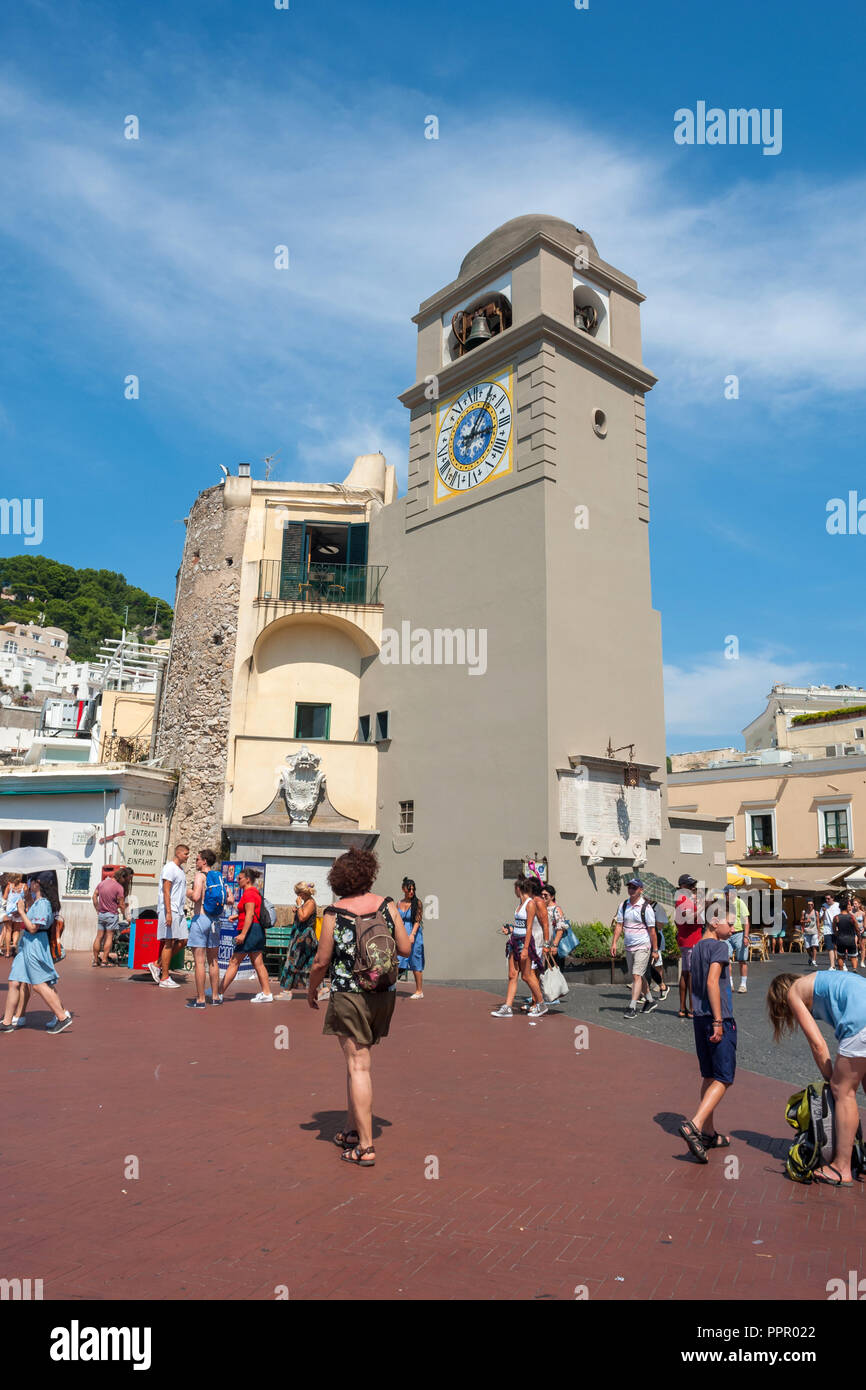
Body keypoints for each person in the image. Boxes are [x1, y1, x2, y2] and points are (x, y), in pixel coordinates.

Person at [307, 847, 411, 1167]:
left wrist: (312, 989)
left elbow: (322, 961)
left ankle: (365, 1147)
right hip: (382, 993)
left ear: (337, 878)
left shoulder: (333, 912)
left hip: (349, 994)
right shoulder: (387, 905)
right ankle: (352, 1130)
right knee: (357, 1064)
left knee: (358, 1066)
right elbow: (405, 949)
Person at [767, 969, 866, 1186]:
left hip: (860, 1020)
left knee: (843, 1091)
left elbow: (818, 1045)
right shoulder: (818, 980)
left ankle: (841, 1167)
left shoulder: (794, 992)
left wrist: (832, 1081)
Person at [677, 896, 736, 1162]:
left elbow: (693, 984)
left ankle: (709, 1133)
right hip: (716, 1017)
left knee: (709, 1076)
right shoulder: (720, 947)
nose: (732, 929)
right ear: (715, 921)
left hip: (699, 1016)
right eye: (730, 923)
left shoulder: (696, 947)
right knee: (724, 1077)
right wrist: (718, 1020)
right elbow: (713, 982)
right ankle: (696, 1125)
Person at [0, 876, 72, 1034]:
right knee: (14, 981)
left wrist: (21, 912)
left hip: (35, 944)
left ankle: (62, 1016)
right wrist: (22, 909)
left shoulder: (44, 903)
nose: (28, 884)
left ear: (39, 884)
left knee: (39, 984)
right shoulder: (37, 902)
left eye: (32, 881)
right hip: (26, 944)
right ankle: (7, 1021)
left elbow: (33, 927)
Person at [491, 878, 548, 1019]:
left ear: (518, 888)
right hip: (515, 940)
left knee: (527, 975)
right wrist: (510, 930)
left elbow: (529, 927)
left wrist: (526, 948)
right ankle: (507, 1007)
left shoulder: (530, 904)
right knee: (512, 974)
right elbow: (520, 924)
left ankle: (541, 1003)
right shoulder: (520, 904)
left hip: (524, 942)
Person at [218, 867, 274, 1003]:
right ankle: (267, 993)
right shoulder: (254, 893)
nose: (237, 881)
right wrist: (237, 916)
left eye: (239, 878)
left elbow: (250, 914)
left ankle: (218, 992)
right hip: (255, 930)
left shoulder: (249, 894)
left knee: (234, 961)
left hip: (249, 931)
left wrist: (243, 934)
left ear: (247, 879)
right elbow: (251, 912)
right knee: (258, 963)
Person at [611, 878, 658, 1020]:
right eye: (630, 887)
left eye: (634, 888)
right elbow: (619, 925)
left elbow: (652, 931)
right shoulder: (624, 905)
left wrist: (655, 950)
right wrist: (614, 943)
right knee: (637, 975)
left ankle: (632, 1006)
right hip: (629, 945)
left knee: (636, 976)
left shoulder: (646, 908)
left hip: (643, 945)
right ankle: (649, 1000)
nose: (631, 890)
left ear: (641, 890)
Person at [186, 849, 224, 1009]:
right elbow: (228, 899)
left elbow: (195, 896)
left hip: (201, 918)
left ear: (204, 862)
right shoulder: (219, 877)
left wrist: (186, 891)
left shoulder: (200, 876)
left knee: (200, 962)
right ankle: (215, 996)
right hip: (215, 921)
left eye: (197, 860)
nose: (196, 862)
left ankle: (201, 999)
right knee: (213, 961)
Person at [149, 844, 190, 989]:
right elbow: (166, 891)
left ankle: (157, 964)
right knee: (169, 942)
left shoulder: (181, 870)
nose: (187, 856)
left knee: (184, 940)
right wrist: (167, 912)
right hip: (170, 909)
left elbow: (181, 891)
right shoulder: (169, 868)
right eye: (185, 853)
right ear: (178, 853)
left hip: (179, 911)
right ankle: (164, 977)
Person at [279, 881, 320, 1000]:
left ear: (303, 893)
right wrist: (298, 908)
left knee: (293, 961)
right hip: (302, 936)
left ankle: (287, 991)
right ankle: (322, 989)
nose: (297, 895)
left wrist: (298, 906)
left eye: (298, 893)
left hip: (304, 937)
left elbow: (303, 918)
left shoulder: (310, 902)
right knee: (309, 963)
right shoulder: (307, 902)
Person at [674, 873, 702, 1019]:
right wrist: (703, 907)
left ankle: (682, 1008)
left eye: (693, 885)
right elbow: (689, 918)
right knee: (691, 974)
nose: (693, 888)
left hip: (687, 939)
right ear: (682, 886)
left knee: (685, 973)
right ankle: (691, 1008)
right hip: (691, 940)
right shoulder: (682, 899)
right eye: (690, 885)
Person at [91, 868, 127, 968]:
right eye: (125, 879)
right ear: (121, 877)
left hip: (101, 914)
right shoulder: (119, 887)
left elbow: (94, 896)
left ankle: (95, 960)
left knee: (99, 936)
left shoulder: (102, 883)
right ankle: (104, 960)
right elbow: (122, 904)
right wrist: (126, 916)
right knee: (109, 937)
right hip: (111, 915)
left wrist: (97, 908)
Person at [396, 878, 424, 999]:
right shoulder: (398, 903)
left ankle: (419, 991)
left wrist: (412, 935)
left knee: (415, 961)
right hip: (402, 934)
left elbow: (417, 921)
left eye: (413, 889)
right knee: (397, 960)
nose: (411, 891)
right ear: (403, 889)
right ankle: (391, 988)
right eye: (409, 889)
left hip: (414, 935)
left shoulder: (417, 903)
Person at [725, 886, 751, 993]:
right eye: (725, 893)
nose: (726, 895)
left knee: (742, 960)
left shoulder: (740, 903)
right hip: (726, 934)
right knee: (726, 960)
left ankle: (743, 984)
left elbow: (746, 921)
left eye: (727, 893)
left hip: (739, 933)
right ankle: (730, 984)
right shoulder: (724, 904)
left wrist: (746, 936)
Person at [647, 898, 670, 1000]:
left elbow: (661, 925)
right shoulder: (641, 906)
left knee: (657, 964)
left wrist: (650, 921)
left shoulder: (658, 908)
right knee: (645, 965)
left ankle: (661, 986)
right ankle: (645, 990)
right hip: (645, 939)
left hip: (656, 938)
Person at [833, 893, 860, 974]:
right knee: (853, 956)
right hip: (851, 939)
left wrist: (837, 935)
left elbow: (834, 930)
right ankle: (854, 969)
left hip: (841, 939)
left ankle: (841, 971)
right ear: (847, 907)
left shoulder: (836, 917)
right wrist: (859, 938)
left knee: (840, 956)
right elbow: (857, 929)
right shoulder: (852, 917)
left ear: (840, 907)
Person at [1, 873, 24, 957]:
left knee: (8, 931)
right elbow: (26, 898)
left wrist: (4, 908)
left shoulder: (9, 886)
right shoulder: (24, 886)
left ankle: (7, 952)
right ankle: (14, 944)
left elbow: (4, 898)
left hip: (9, 911)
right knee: (17, 930)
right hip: (19, 910)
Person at [820, 894, 840, 971]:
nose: (827, 900)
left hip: (837, 928)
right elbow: (821, 918)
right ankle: (832, 965)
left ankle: (841, 962)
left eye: (828, 899)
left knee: (837, 947)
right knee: (830, 947)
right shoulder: (823, 906)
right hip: (827, 928)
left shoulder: (838, 905)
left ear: (833, 898)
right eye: (826, 899)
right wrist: (824, 912)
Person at [801, 898, 820, 969]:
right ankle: (810, 956)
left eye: (811, 904)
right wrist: (806, 921)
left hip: (814, 931)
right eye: (809, 904)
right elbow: (801, 920)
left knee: (814, 946)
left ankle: (814, 960)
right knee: (807, 947)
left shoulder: (816, 912)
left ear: (813, 905)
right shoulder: (804, 912)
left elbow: (818, 922)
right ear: (807, 905)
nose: (810, 906)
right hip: (807, 931)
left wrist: (819, 932)